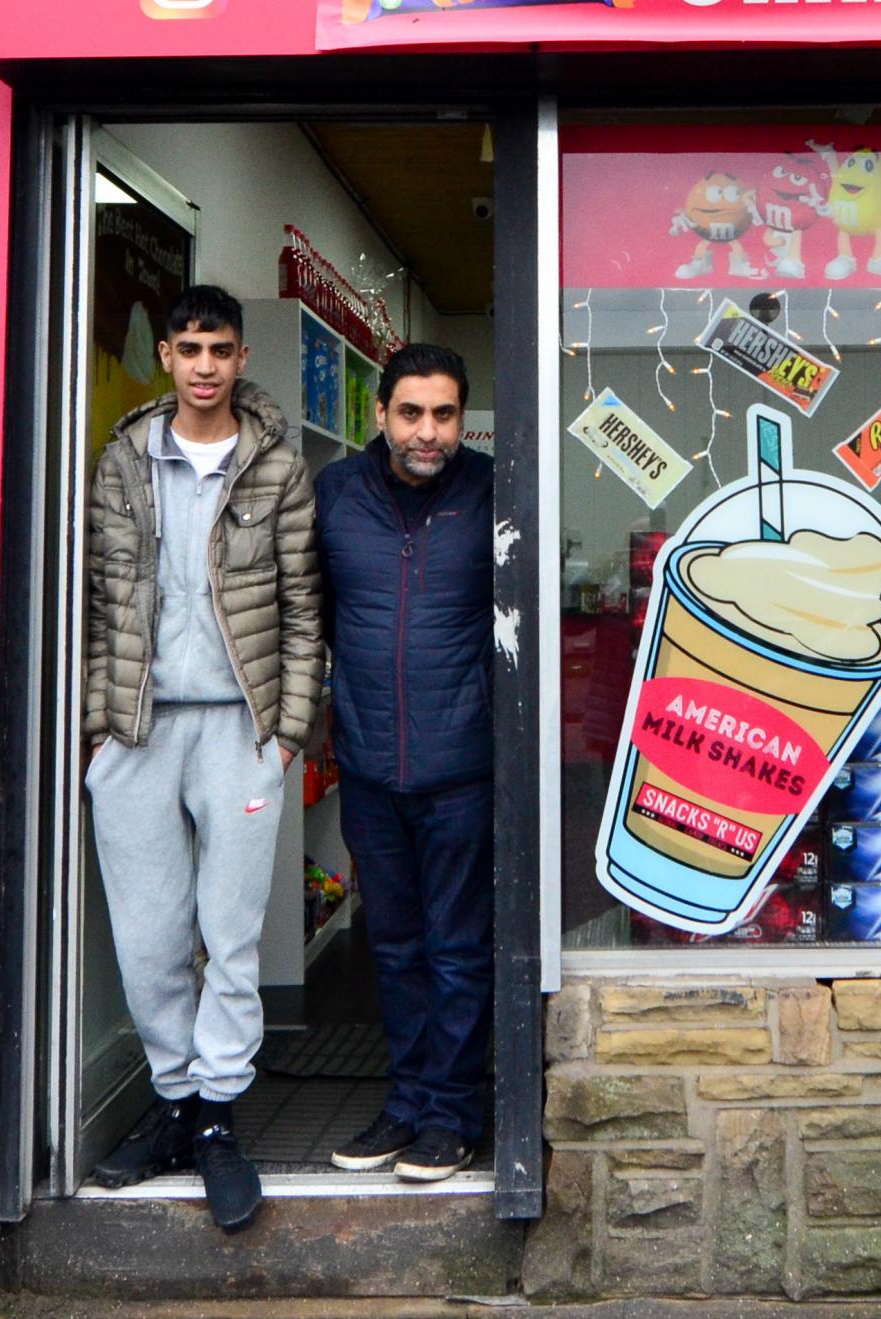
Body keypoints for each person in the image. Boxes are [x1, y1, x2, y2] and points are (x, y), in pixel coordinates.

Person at [83, 285, 323, 1233]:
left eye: (219, 348)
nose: (204, 365)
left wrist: (287, 729)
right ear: (170, 358)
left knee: (231, 935)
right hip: (137, 727)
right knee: (148, 942)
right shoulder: (124, 460)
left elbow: (305, 605)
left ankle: (214, 1116)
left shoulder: (278, 464)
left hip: (239, 727)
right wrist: (98, 726)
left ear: (241, 353)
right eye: (188, 348)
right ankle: (178, 1100)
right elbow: (97, 598)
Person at [312, 344, 495, 1184]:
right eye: (412, 412)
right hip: (370, 765)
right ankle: (407, 1100)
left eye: (445, 414)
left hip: (462, 761)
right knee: (393, 944)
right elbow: (305, 613)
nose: (429, 432)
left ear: (463, 418)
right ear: (380, 413)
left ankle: (453, 1112)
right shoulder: (335, 496)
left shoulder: (495, 490)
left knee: (458, 944)